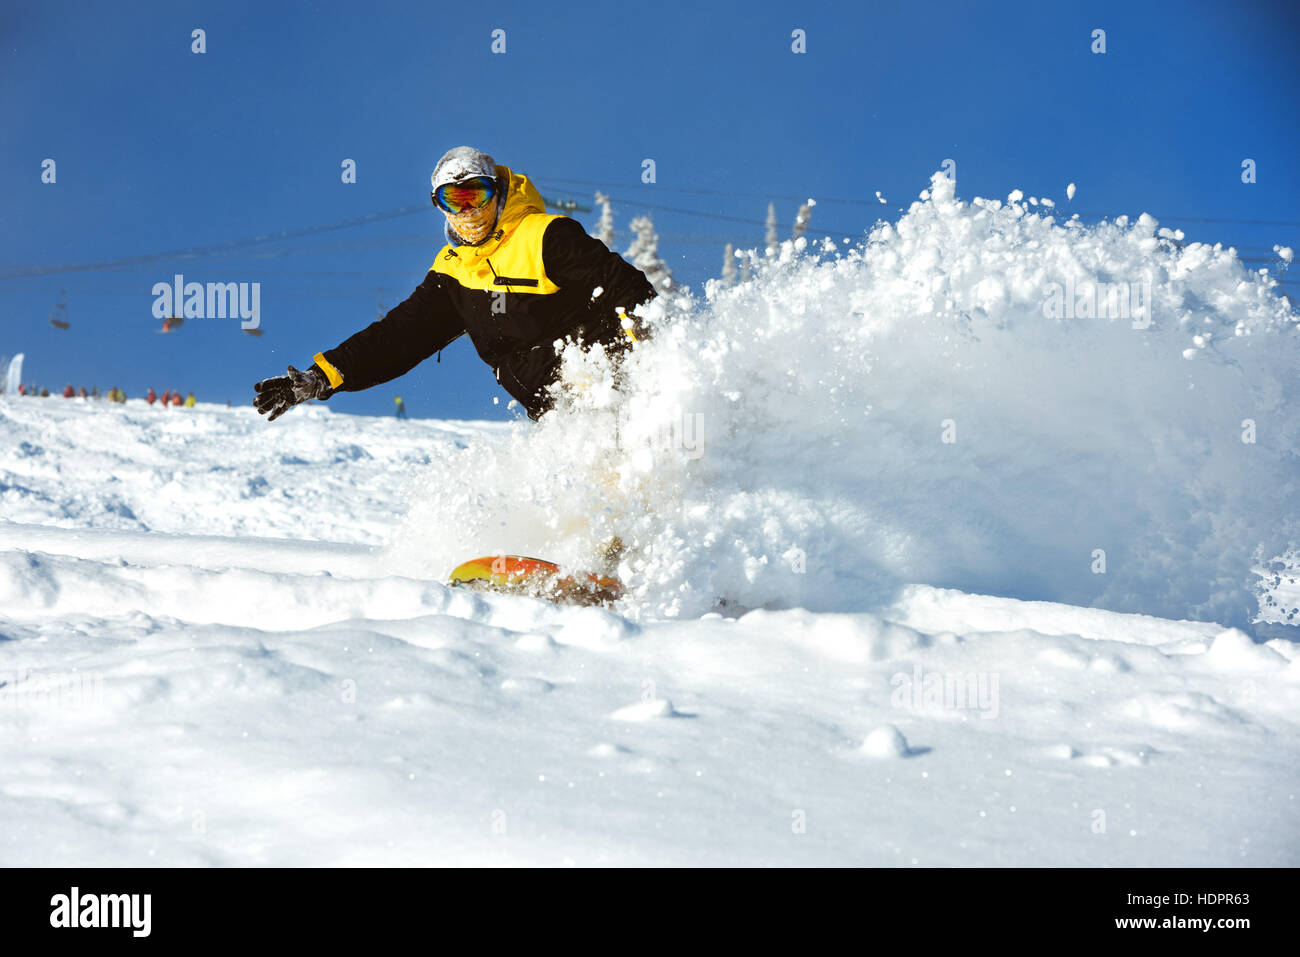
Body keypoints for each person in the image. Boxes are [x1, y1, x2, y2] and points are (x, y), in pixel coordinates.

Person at [253, 146, 656, 423]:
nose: (468, 210)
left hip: (609, 379)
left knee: (616, 461)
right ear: (439, 207)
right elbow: (397, 337)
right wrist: (321, 376)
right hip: (558, 412)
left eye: (476, 195)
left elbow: (627, 288)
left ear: (496, 193)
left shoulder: (545, 236)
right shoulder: (453, 275)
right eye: (453, 200)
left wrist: (654, 361)